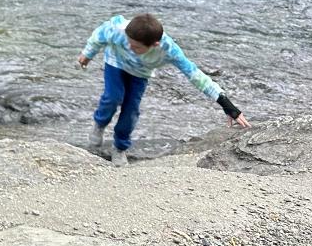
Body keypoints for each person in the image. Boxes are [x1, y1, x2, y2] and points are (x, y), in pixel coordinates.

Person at [78, 12, 251, 166]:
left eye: (136, 47)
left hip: (140, 73)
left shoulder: (169, 50)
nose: (130, 47)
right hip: (115, 63)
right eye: (129, 43)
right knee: (112, 97)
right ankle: (99, 126)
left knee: (131, 110)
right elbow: (98, 36)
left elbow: (196, 76)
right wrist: (87, 54)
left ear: (154, 44)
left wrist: (228, 105)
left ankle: (120, 147)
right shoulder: (119, 30)